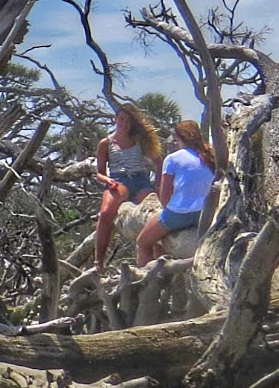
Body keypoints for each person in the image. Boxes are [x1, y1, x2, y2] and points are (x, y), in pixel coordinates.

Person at [92, 103, 162, 269]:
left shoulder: (139, 141)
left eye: (128, 121)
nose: (124, 124)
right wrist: (107, 180)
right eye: (121, 119)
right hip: (119, 180)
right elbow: (99, 172)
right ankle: (99, 261)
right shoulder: (106, 143)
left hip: (141, 180)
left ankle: (157, 258)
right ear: (115, 119)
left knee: (154, 214)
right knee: (105, 213)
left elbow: (160, 162)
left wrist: (159, 184)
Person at [137, 121, 217, 265]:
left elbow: (165, 197)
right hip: (205, 214)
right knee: (159, 244)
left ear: (178, 137)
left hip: (179, 214)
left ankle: (144, 279)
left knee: (143, 242)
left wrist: (165, 210)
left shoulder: (172, 159)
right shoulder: (209, 157)